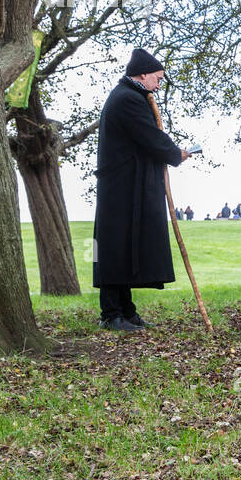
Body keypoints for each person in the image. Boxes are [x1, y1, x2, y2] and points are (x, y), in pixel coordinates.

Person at [92, 48, 190, 331]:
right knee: (113, 249)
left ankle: (126, 310)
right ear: (143, 74)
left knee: (123, 249)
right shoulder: (128, 100)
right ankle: (111, 314)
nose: (159, 85)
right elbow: (149, 137)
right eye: (157, 79)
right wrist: (175, 153)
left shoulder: (128, 96)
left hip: (125, 187)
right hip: (121, 188)